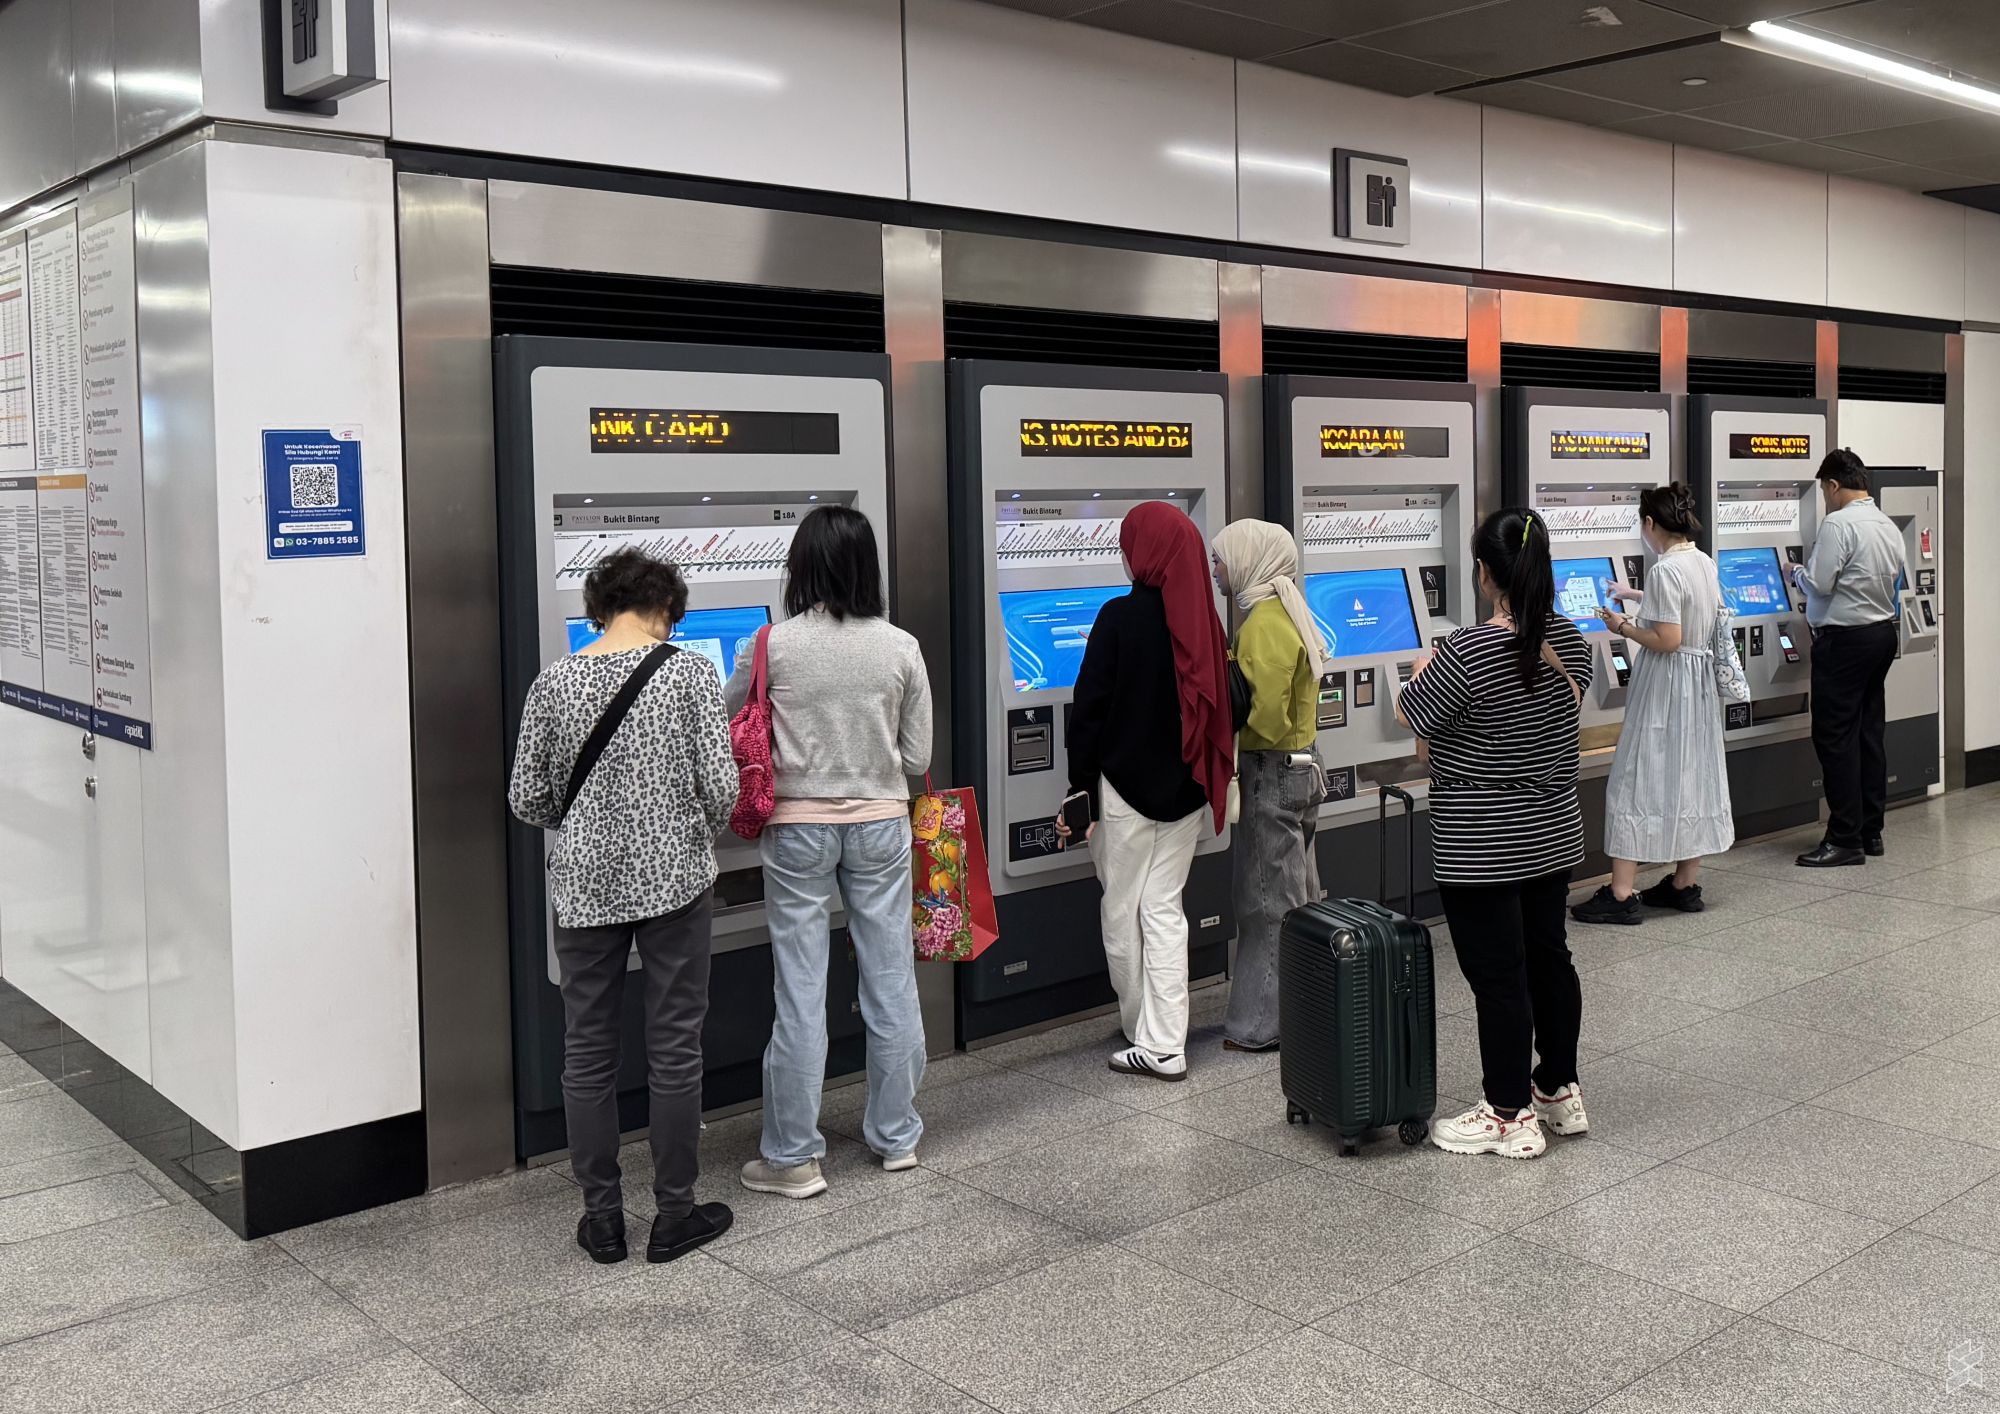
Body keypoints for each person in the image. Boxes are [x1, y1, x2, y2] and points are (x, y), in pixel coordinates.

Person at [508, 547, 739, 1264]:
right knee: (674, 1048)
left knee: (587, 1053)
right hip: (674, 880)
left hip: (582, 887)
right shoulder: (692, 674)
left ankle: (602, 1219)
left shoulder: (555, 683)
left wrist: (588, 827)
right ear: (666, 607)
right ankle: (675, 1215)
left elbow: (527, 798)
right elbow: (722, 790)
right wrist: (684, 825)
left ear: (599, 608)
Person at [726, 505, 932, 1199]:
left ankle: (792, 1157)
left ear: (801, 567)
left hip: (798, 828)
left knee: (802, 990)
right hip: (880, 822)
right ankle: (897, 1136)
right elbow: (918, 755)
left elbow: (736, 718)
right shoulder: (900, 645)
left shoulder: (770, 645)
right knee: (890, 978)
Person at [1396, 508, 1592, 1160]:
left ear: (1486, 574)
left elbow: (1414, 718)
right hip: (1552, 830)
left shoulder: (1468, 649)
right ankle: (1557, 1090)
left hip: (1480, 842)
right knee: (1547, 959)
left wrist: (1425, 673)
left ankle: (1507, 1114)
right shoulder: (1573, 643)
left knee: (1498, 977)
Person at [1056, 500, 1232, 1082]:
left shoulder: (1116, 618)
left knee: (1120, 907)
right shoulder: (1204, 619)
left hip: (1124, 792)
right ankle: (1166, 1040)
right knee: (1163, 907)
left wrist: (1079, 785)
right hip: (1186, 790)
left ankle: (1140, 1028)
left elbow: (1088, 712)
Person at [1571, 483, 1734, 924]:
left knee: (1635, 776)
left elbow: (1667, 638)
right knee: (1691, 775)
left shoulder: (1664, 570)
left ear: (1649, 523)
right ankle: (1683, 884)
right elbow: (1691, 607)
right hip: (1696, 688)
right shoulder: (1702, 561)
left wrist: (1622, 625)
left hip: (1666, 686)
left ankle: (1622, 894)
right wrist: (1634, 595)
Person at [1210, 519, 1327, 1052]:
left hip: (1272, 769)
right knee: (1299, 895)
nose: (1216, 571)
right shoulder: (1291, 611)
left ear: (1250, 560)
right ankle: (1309, 1007)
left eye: (1222, 559)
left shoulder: (1261, 624)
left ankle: (1261, 1026)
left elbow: (1268, 717)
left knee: (1264, 903)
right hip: (1304, 766)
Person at [1792, 449, 1907, 868]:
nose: (1825, 498)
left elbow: (1820, 584)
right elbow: (1896, 578)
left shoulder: (1838, 523)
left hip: (1844, 641)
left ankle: (1843, 839)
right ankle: (1869, 830)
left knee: (1835, 737)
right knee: (1867, 732)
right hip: (1880, 635)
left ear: (1834, 485)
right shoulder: (1886, 523)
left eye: (1824, 490)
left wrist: (1795, 574)